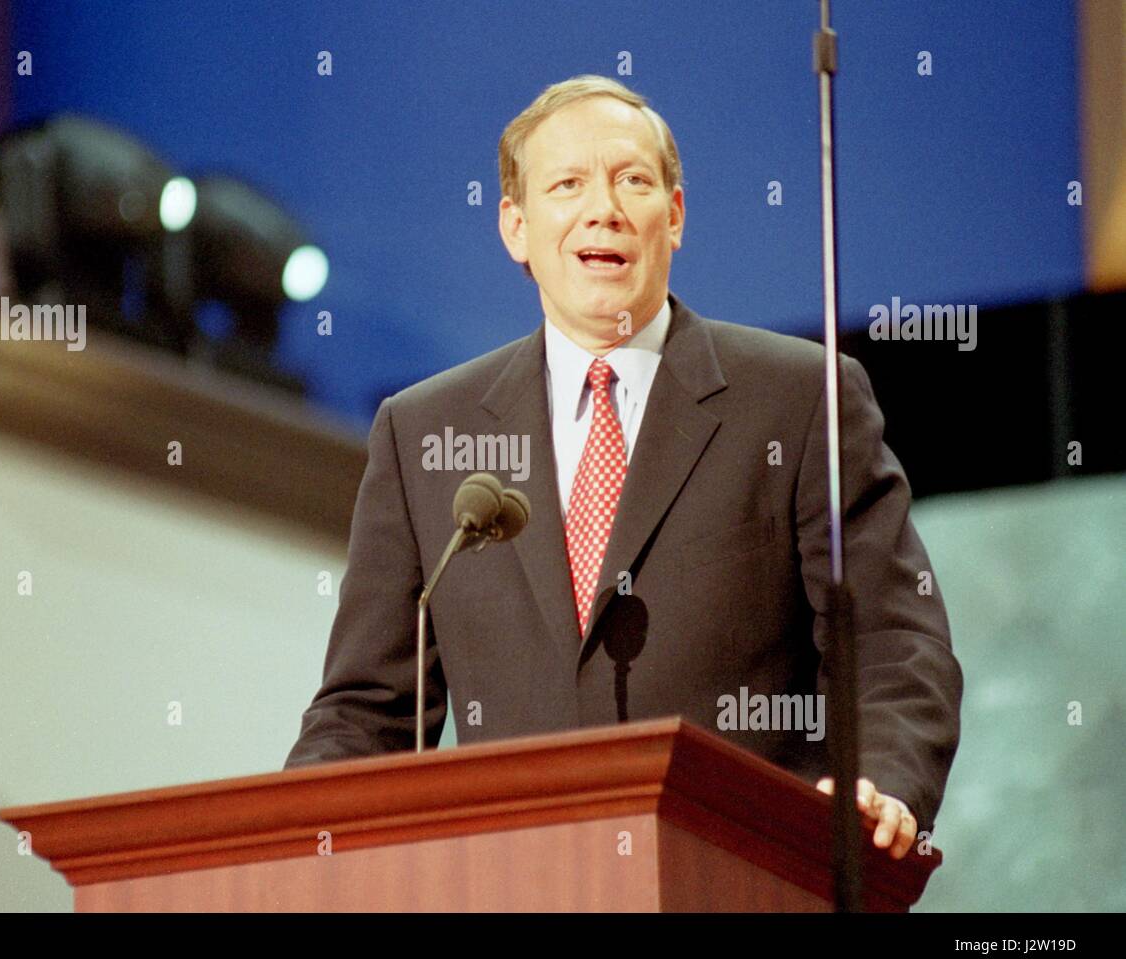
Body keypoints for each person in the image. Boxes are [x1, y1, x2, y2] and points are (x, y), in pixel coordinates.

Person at [285, 75, 962, 861]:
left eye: (632, 181)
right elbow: (365, 711)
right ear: (516, 226)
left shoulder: (799, 399)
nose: (602, 207)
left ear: (674, 216)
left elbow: (893, 639)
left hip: (744, 875)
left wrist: (881, 782)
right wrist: (296, 851)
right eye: (567, 184)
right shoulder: (423, 433)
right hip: (515, 882)